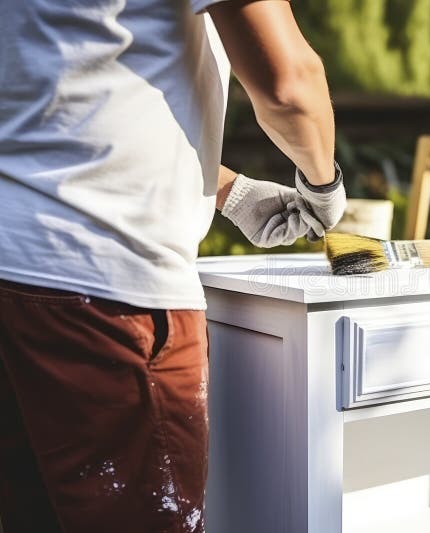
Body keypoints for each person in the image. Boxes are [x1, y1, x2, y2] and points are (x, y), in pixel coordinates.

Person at [0, 0, 345, 531]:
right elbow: (289, 84)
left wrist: (228, 190)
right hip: (108, 287)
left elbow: (60, 86)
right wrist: (323, 182)